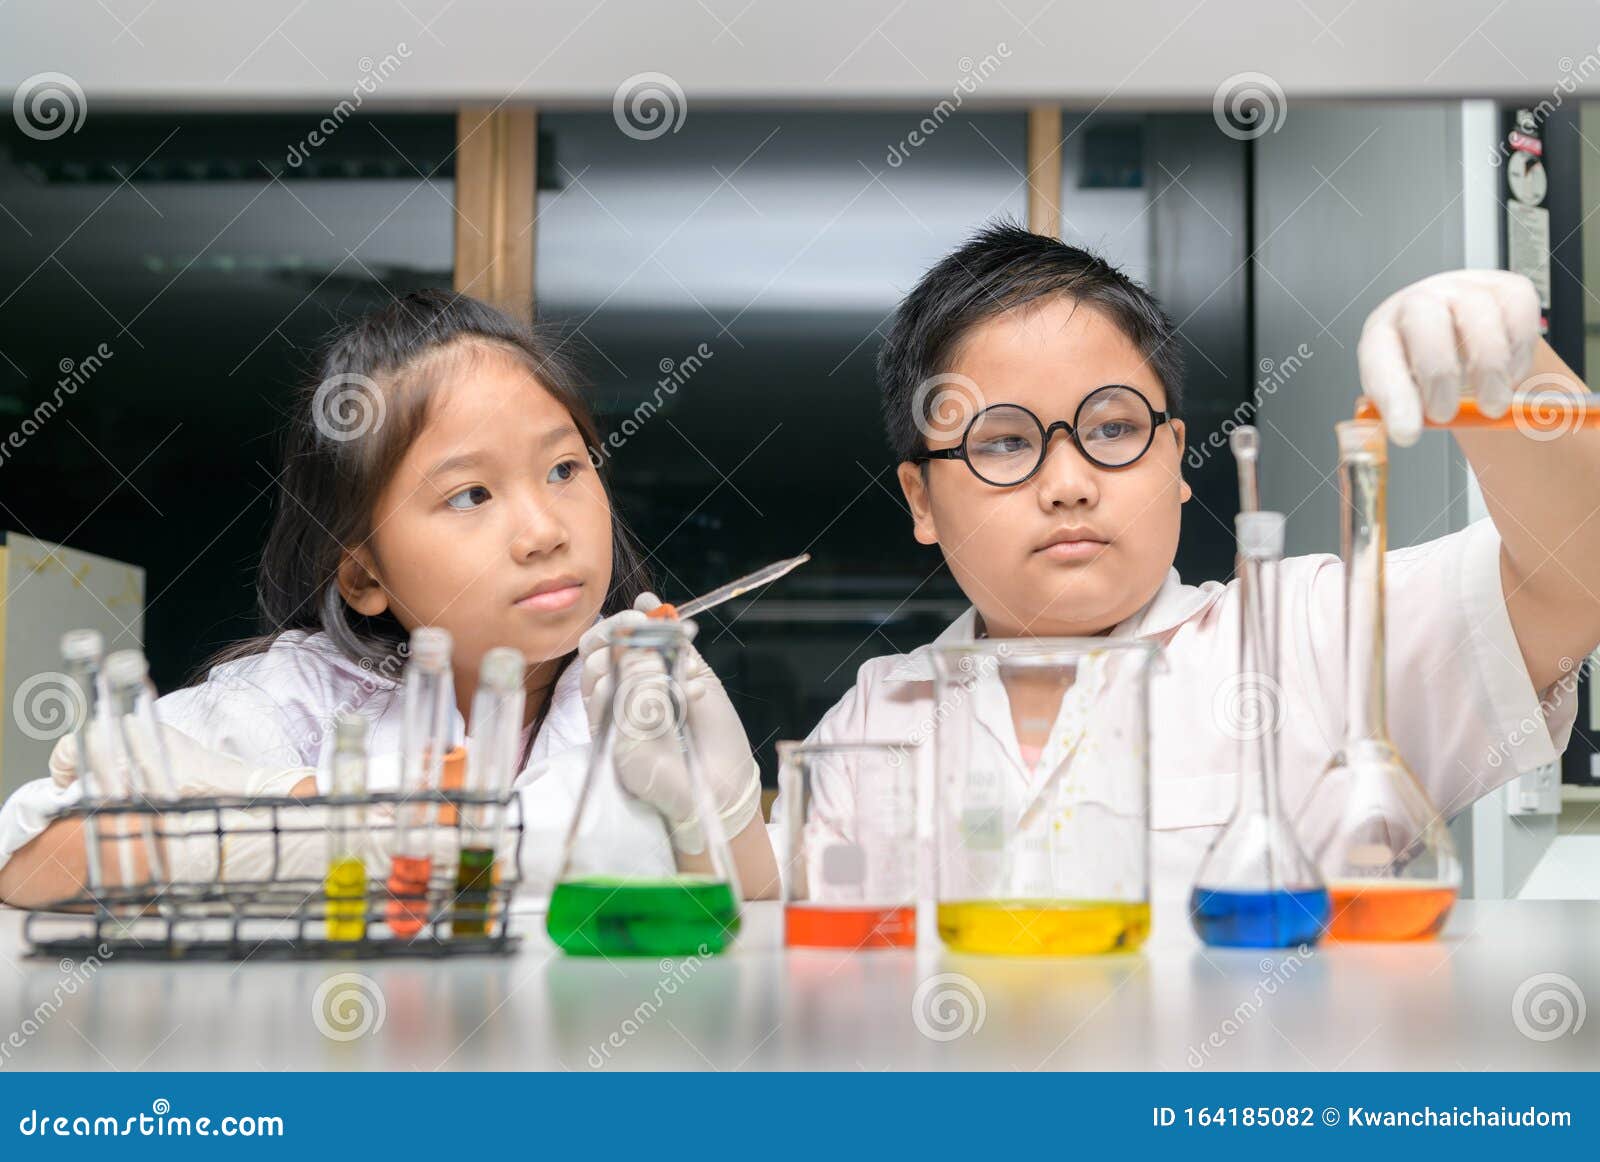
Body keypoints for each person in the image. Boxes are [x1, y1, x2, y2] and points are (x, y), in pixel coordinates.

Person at [0, 291, 778, 907]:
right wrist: (302, 806)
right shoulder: (299, 703)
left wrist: (725, 809)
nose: (544, 531)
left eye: (565, 470)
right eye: (472, 494)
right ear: (364, 575)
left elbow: (750, 904)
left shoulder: (634, 699)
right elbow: (31, 862)